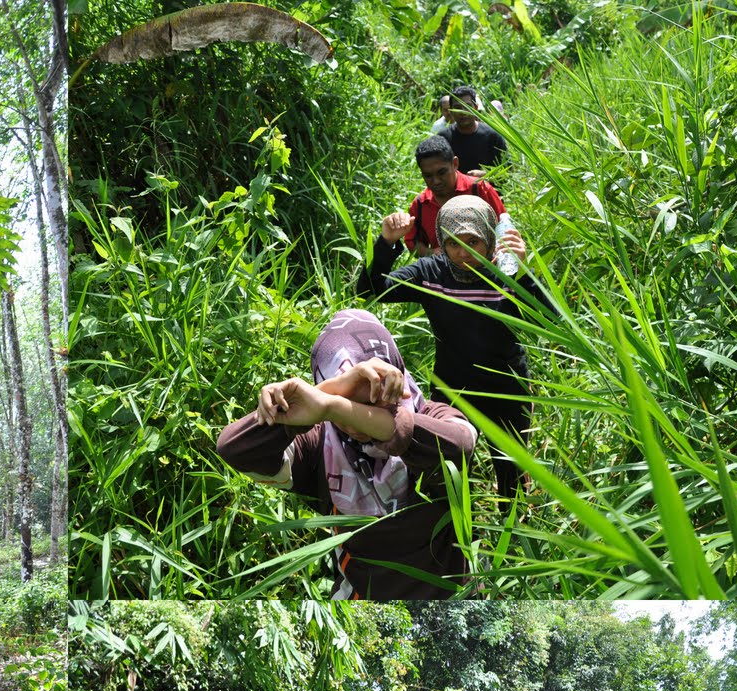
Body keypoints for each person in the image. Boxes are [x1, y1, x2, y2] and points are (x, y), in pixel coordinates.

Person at [217, 309, 477, 599]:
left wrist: (337, 407)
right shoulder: (321, 447)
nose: (353, 424)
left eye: (369, 402)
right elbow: (234, 449)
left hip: (454, 600)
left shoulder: (431, 419)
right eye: (343, 401)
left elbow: (460, 447)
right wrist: (324, 396)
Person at [357, 194, 552, 500]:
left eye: (473, 242)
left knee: (510, 470)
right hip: (453, 389)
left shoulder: (507, 272)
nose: (462, 253)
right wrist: (387, 243)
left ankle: (514, 524)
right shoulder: (431, 273)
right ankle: (458, 525)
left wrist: (524, 272)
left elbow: (550, 320)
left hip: (506, 390)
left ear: (489, 238)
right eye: (453, 243)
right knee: (449, 472)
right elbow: (370, 291)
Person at [378, 135, 506, 257]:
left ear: (455, 164)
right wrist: (431, 253)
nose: (436, 181)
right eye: (428, 176)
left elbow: (504, 228)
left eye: (442, 172)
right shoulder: (421, 204)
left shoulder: (479, 189)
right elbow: (413, 242)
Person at [443, 86, 508, 176]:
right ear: (451, 111)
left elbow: (508, 171)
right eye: (457, 107)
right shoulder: (444, 138)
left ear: (476, 108)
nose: (463, 112)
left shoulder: (493, 136)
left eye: (467, 106)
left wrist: (485, 175)